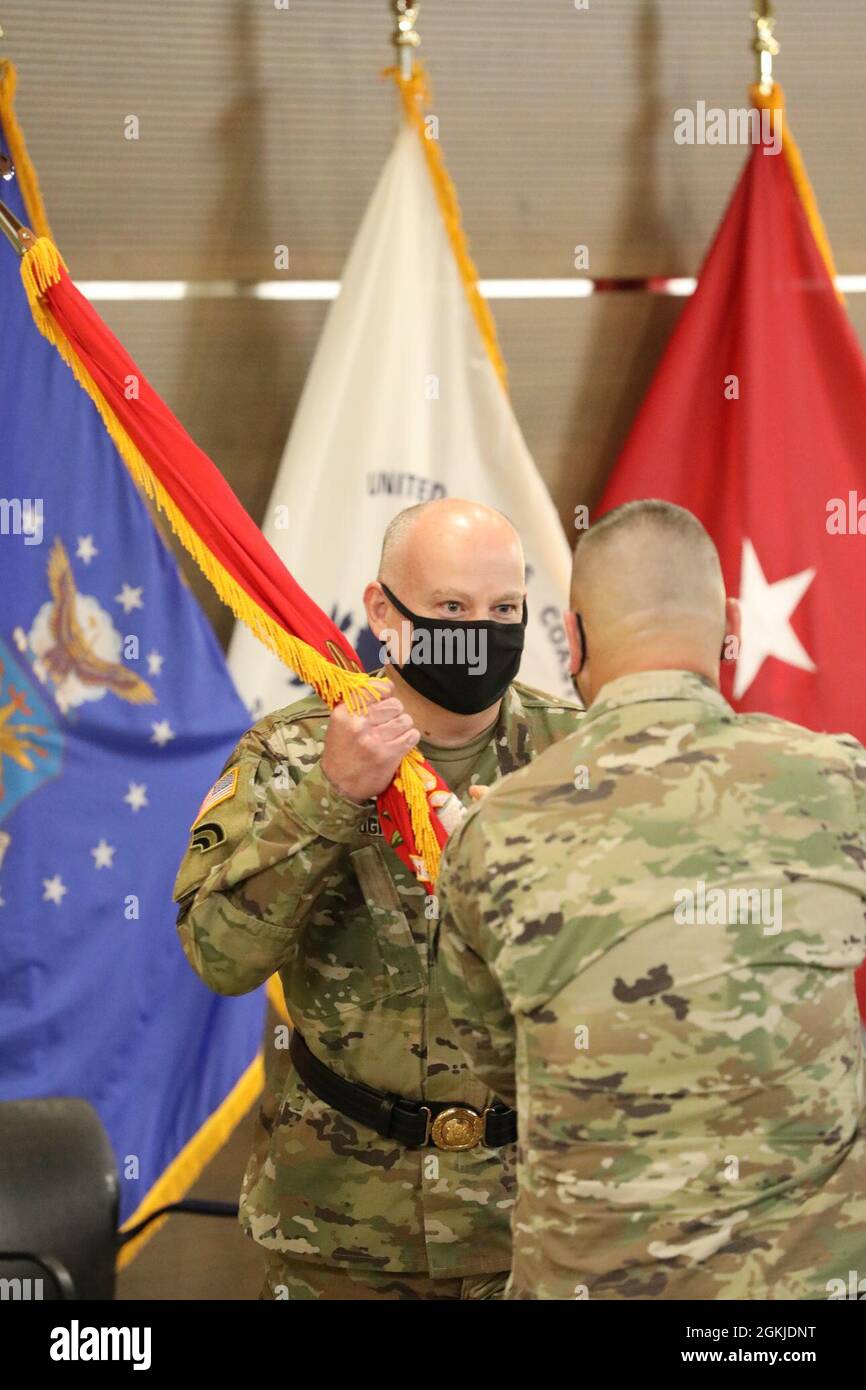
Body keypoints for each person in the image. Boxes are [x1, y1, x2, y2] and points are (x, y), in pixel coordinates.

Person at [436, 498, 866, 1300]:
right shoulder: (842, 784)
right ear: (730, 619)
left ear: (577, 633)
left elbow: (496, 1061)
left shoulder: (496, 833)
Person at [173, 497, 581, 1300]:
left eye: (504, 609)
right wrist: (332, 796)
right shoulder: (290, 752)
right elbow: (217, 956)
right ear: (383, 615)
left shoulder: (577, 757)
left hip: (530, 1220)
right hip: (341, 1224)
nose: (482, 630)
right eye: (452, 609)